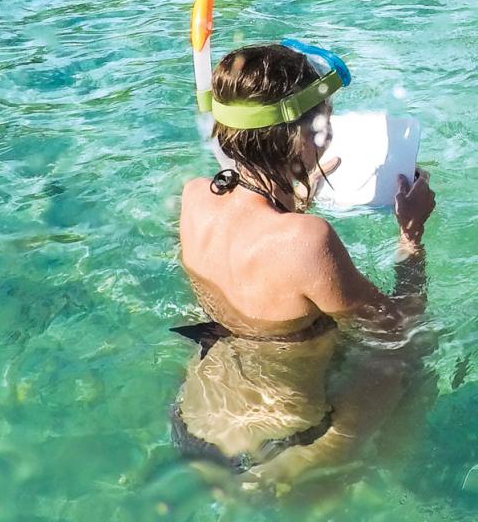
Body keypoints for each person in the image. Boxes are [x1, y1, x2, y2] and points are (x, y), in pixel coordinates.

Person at [174, 42, 435, 485]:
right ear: (301, 136)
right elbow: (398, 327)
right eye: (327, 122)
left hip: (193, 424)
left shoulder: (195, 195)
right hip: (285, 449)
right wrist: (412, 240)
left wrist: (290, 205)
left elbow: (255, 263)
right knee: (412, 359)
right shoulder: (306, 240)